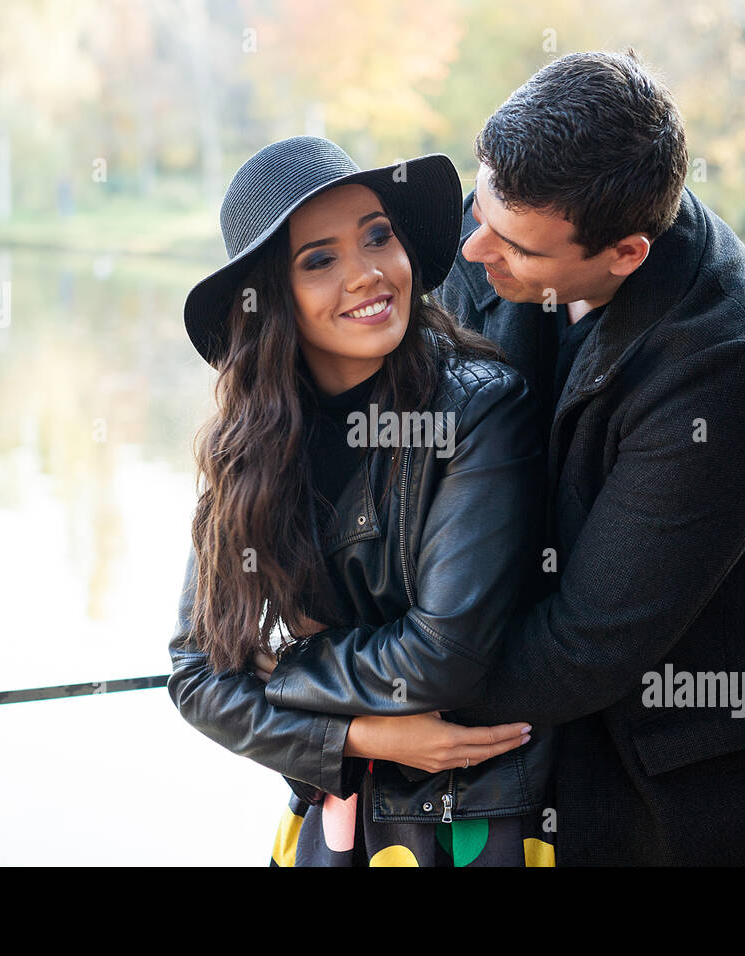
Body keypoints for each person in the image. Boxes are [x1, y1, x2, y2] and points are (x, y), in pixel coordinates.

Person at [263, 51, 745, 865]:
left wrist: (335, 692)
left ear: (625, 254)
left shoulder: (735, 370)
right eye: (480, 208)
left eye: (516, 249)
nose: (469, 253)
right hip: (500, 774)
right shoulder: (500, 225)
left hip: (665, 798)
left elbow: (580, 647)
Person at [166, 136, 557, 867]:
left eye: (378, 236)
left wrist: (278, 667)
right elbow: (194, 675)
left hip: (464, 814)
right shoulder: (246, 444)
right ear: (271, 298)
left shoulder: (477, 411)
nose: (368, 273)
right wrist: (354, 736)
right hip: (334, 811)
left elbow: (442, 658)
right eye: (320, 260)